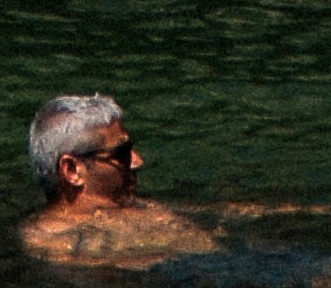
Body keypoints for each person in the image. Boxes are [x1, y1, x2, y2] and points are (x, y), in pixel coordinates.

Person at [22, 95, 211, 259]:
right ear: (72, 170)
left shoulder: (129, 206)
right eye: (121, 154)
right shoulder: (58, 243)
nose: (137, 161)